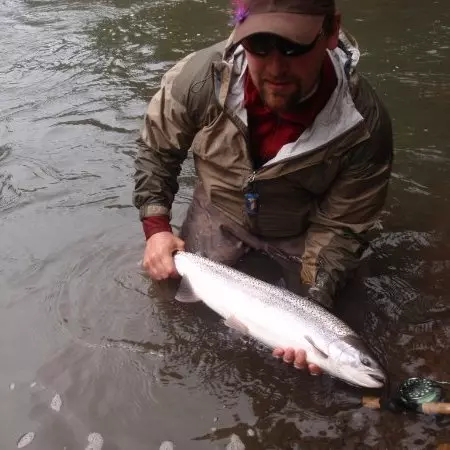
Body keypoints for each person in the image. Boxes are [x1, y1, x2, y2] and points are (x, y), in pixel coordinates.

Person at [133, 0, 393, 375]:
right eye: (259, 46)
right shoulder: (200, 79)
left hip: (302, 227)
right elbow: (157, 149)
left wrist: (314, 306)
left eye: (293, 47)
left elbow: (341, 227)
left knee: (347, 314)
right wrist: (156, 229)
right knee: (173, 297)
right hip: (220, 208)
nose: (275, 68)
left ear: (331, 31)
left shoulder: (364, 125)